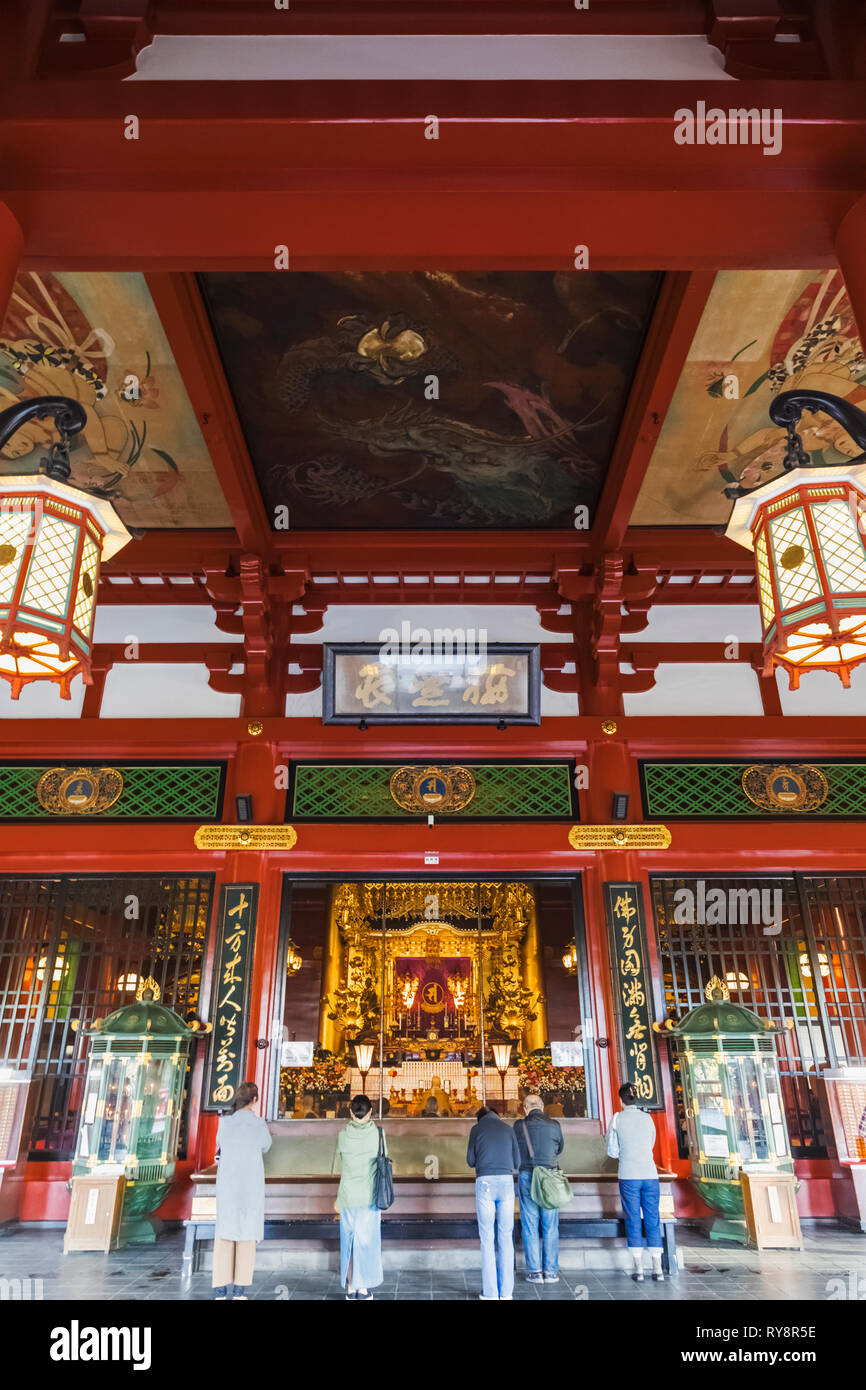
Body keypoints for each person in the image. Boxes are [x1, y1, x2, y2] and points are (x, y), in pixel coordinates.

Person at [213, 1081, 272, 1300]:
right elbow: (266, 1145)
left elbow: (221, 1144)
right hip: (250, 1183)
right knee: (247, 1234)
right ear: (255, 1100)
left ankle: (220, 1289)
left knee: (225, 1233)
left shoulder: (224, 1123)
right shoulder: (259, 1125)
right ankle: (239, 1290)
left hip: (228, 1182)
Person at [606, 1081, 665, 1282]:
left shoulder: (617, 1119)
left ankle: (638, 1269)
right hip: (650, 1174)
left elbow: (612, 1151)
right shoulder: (648, 1119)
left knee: (632, 1218)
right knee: (652, 1218)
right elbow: (651, 1143)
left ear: (620, 1099)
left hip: (628, 1174)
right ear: (636, 1098)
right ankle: (658, 1268)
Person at [466, 1103, 521, 1300]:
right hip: (506, 1182)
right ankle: (506, 1293)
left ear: (479, 1118)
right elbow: (517, 1162)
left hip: (485, 1182)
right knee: (506, 1237)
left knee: (487, 1238)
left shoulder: (476, 1129)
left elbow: (470, 1160)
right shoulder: (508, 1128)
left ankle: (490, 1293)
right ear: (497, 1116)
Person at [336, 1094, 386, 1300]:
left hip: (347, 1196)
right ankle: (363, 1288)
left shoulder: (343, 1135)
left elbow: (340, 1160)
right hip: (369, 1196)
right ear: (371, 1112)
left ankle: (350, 1287)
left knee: (348, 1241)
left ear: (350, 1112)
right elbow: (383, 1160)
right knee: (367, 1241)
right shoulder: (378, 1134)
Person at [514, 1093, 564, 1284]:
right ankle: (550, 1272)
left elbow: (515, 1148)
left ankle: (534, 1272)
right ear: (542, 1107)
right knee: (550, 1225)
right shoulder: (554, 1125)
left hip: (527, 1174)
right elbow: (559, 1149)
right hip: (550, 1175)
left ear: (525, 1109)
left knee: (530, 1224)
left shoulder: (519, 1126)